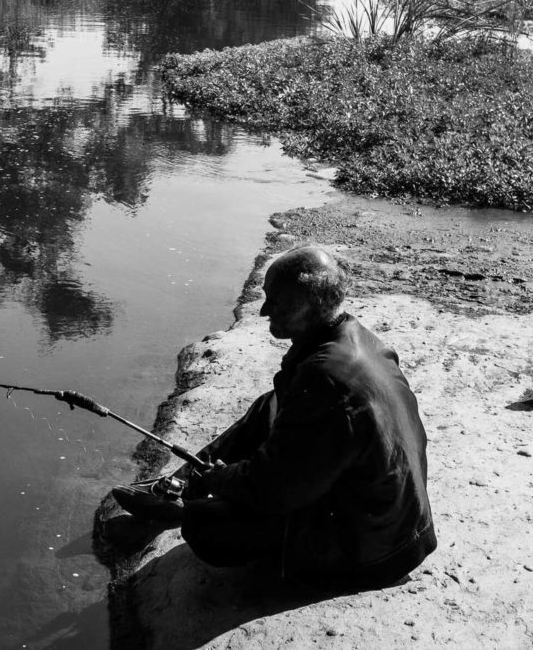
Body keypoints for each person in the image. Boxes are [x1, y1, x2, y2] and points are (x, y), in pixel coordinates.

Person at [113, 245, 437, 590]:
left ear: (310, 303)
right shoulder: (356, 339)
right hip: (396, 521)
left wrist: (222, 481)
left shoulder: (326, 378)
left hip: (374, 550)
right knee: (269, 405)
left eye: (277, 301)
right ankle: (181, 484)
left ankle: (182, 504)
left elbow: (273, 490)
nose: (265, 309)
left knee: (201, 524)